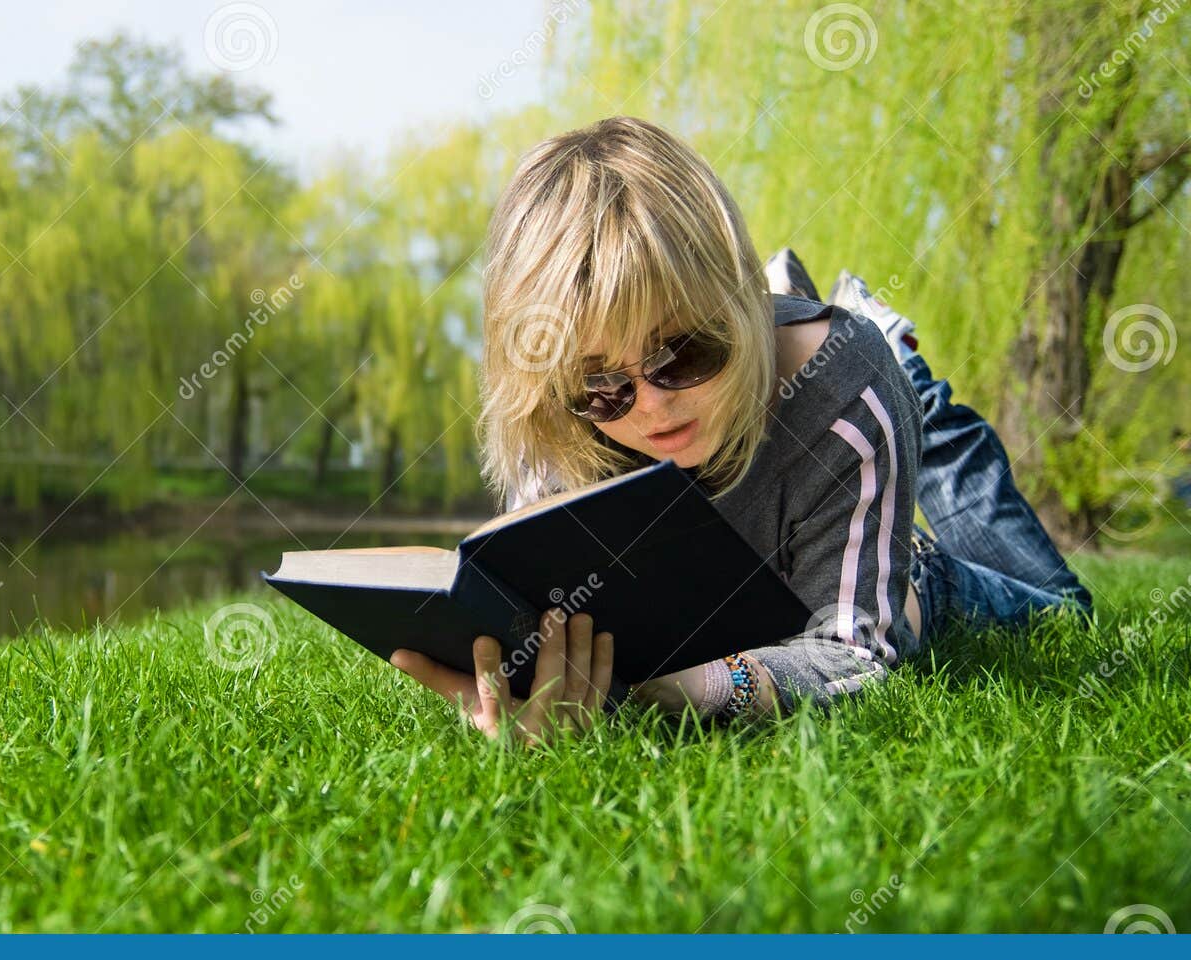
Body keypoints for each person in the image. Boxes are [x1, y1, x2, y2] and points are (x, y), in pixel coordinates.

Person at [389, 115, 1092, 746]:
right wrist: (515, 688)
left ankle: (907, 377)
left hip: (883, 556)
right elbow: (542, 618)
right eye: (601, 385)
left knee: (1069, 617)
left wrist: (690, 690)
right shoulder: (551, 411)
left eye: (683, 354)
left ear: (737, 302)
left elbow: (858, 652)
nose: (653, 407)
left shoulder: (844, 396)